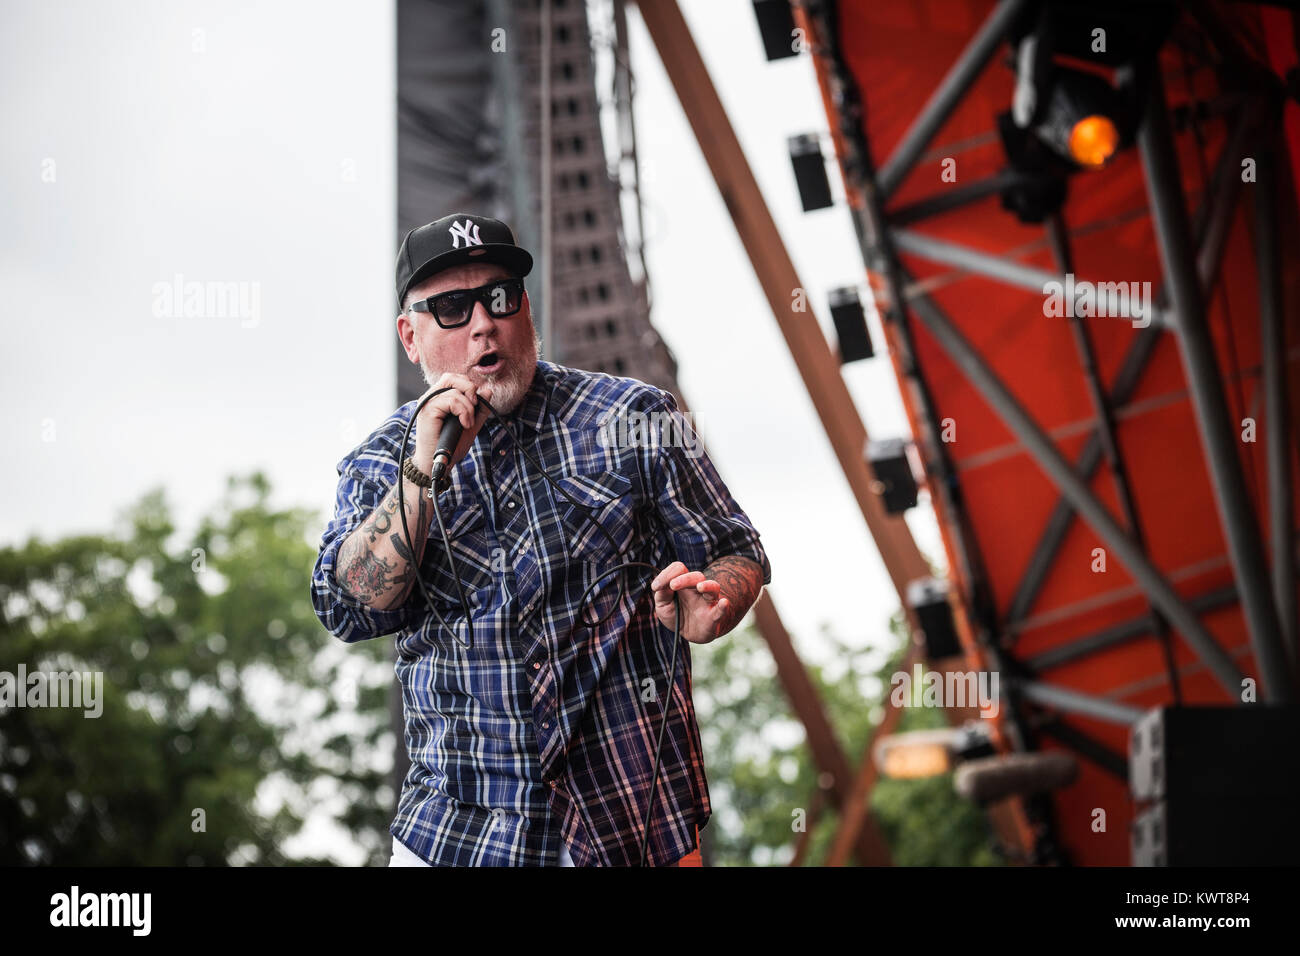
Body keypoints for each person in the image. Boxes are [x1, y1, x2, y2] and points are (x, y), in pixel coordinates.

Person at [311, 212, 771, 866]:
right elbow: (349, 607)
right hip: (458, 837)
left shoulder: (633, 417)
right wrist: (422, 473)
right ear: (409, 337)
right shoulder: (382, 462)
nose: (482, 324)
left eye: (500, 298)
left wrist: (716, 602)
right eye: (451, 309)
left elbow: (737, 549)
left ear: (526, 307)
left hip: (631, 825)